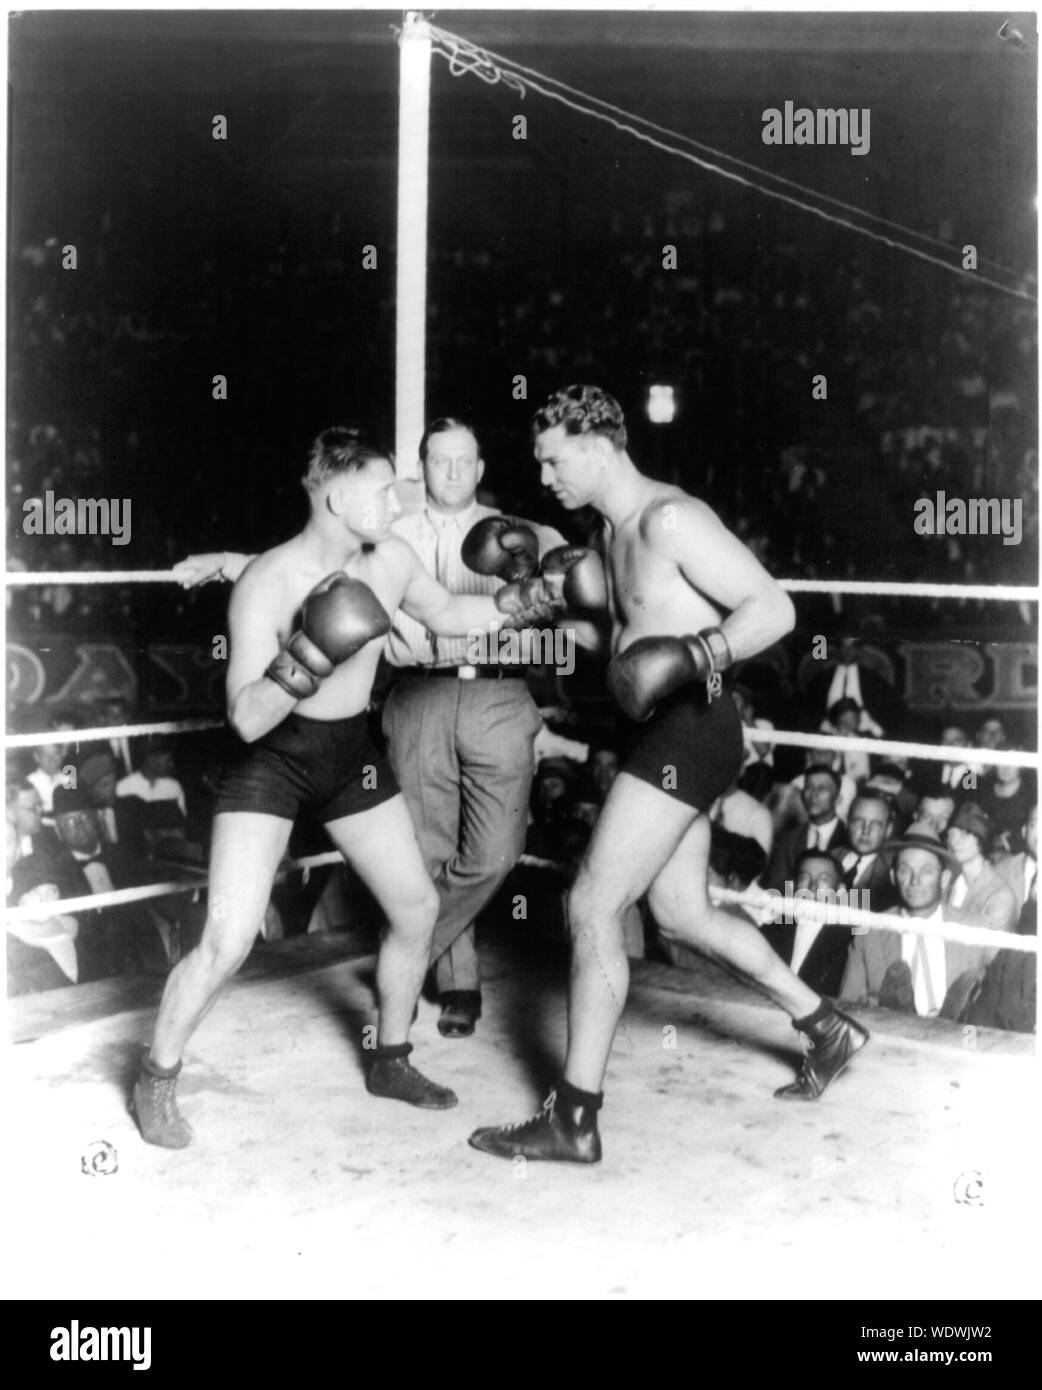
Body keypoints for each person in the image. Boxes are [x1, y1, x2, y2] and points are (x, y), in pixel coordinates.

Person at [468, 385, 869, 1165]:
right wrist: (545, 612)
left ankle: (574, 1117)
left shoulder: (668, 518)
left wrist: (699, 653)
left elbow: (774, 609)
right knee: (682, 913)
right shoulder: (607, 531)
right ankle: (825, 1025)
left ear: (598, 443)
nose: (546, 475)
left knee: (591, 902)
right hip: (658, 725)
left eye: (554, 458)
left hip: (694, 722)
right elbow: (625, 653)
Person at [133, 427, 553, 1148]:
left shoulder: (392, 557)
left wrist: (527, 597)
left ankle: (391, 1058)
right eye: (383, 487)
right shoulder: (267, 582)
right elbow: (244, 718)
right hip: (271, 760)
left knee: (417, 906)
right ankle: (155, 1077)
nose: (399, 499)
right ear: (335, 495)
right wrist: (313, 650)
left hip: (349, 754)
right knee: (228, 939)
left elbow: (450, 616)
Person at [839, 821, 993, 1017]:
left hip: (951, 1038)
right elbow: (848, 1007)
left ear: (944, 879)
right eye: (905, 870)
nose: (915, 880)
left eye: (926, 870)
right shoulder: (870, 931)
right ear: (894, 876)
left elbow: (986, 1006)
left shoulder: (972, 929)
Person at [764, 764, 846, 891]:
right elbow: (774, 887)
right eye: (809, 787)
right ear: (802, 795)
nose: (814, 794)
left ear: (838, 799)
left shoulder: (848, 837)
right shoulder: (788, 839)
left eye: (822, 788)